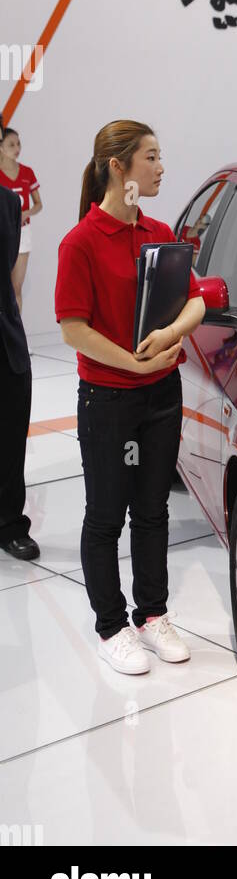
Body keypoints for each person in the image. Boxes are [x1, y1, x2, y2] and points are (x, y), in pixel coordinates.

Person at [54, 120, 206, 676]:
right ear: (118, 167)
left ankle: (153, 614)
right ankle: (111, 624)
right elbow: (73, 327)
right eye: (151, 157)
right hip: (109, 400)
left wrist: (169, 337)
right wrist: (132, 361)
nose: (161, 167)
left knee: (152, 510)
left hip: (161, 395)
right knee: (104, 515)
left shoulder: (160, 232)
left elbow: (196, 301)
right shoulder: (81, 242)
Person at [0, 182, 38, 559]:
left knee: (10, 437)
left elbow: (12, 278)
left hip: (5, 334)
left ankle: (9, 522)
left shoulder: (10, 202)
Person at [0, 119, 42, 318]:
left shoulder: (27, 172)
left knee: (15, 288)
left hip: (22, 232)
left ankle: (16, 336)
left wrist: (24, 214)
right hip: (2, 231)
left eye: (18, 143)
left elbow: (38, 204)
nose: (17, 148)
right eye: (11, 144)